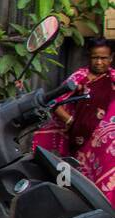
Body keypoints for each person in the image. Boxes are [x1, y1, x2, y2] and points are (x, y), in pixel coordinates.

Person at [33, 37, 115, 205]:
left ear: (111, 58)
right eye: (95, 57)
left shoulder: (113, 79)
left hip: (108, 149)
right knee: (83, 182)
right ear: (89, 57)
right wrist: (70, 121)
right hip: (82, 144)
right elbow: (55, 102)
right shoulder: (79, 77)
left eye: (104, 58)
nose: (99, 62)